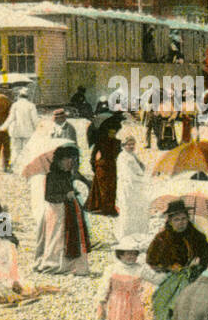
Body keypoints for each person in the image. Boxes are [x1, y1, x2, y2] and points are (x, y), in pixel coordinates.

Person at [97, 235, 155, 320]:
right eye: (127, 253)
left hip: (134, 305)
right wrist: (101, 303)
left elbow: (155, 278)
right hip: (116, 305)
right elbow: (104, 287)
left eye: (134, 254)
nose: (131, 256)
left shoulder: (140, 269)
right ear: (120, 254)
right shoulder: (112, 269)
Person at [33, 145, 91, 275]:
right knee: (57, 238)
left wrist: (75, 190)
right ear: (59, 161)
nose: (70, 163)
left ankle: (71, 266)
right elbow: (48, 196)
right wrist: (66, 196)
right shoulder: (51, 176)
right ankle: (54, 263)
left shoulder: (67, 175)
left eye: (71, 160)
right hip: (55, 211)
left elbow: (74, 183)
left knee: (72, 236)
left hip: (69, 209)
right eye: (66, 160)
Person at [146, 200, 208, 274]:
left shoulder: (197, 236)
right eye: (176, 219)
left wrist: (199, 262)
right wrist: (169, 267)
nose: (181, 222)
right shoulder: (161, 238)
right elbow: (151, 261)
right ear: (170, 222)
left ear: (188, 219)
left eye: (184, 218)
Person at [114, 136, 150, 241]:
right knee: (127, 211)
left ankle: (136, 233)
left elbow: (141, 168)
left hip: (136, 187)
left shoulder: (133, 155)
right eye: (128, 144)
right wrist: (141, 180)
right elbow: (127, 175)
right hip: (128, 187)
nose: (131, 146)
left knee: (137, 211)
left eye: (132, 144)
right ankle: (124, 235)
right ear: (123, 146)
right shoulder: (122, 157)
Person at [83, 120, 122, 216]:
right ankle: (105, 208)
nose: (113, 134)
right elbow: (93, 156)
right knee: (103, 188)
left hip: (111, 168)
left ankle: (107, 207)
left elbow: (119, 155)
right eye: (111, 132)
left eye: (115, 132)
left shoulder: (117, 142)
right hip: (102, 167)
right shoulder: (101, 142)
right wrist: (95, 165)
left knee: (111, 188)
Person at [6, 89, 38, 170]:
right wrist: (37, 130)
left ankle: (13, 166)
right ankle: (26, 166)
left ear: (19, 96)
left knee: (15, 150)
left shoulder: (15, 105)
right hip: (28, 131)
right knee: (27, 149)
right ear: (27, 97)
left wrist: (4, 127)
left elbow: (11, 118)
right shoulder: (31, 105)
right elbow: (35, 120)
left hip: (16, 131)